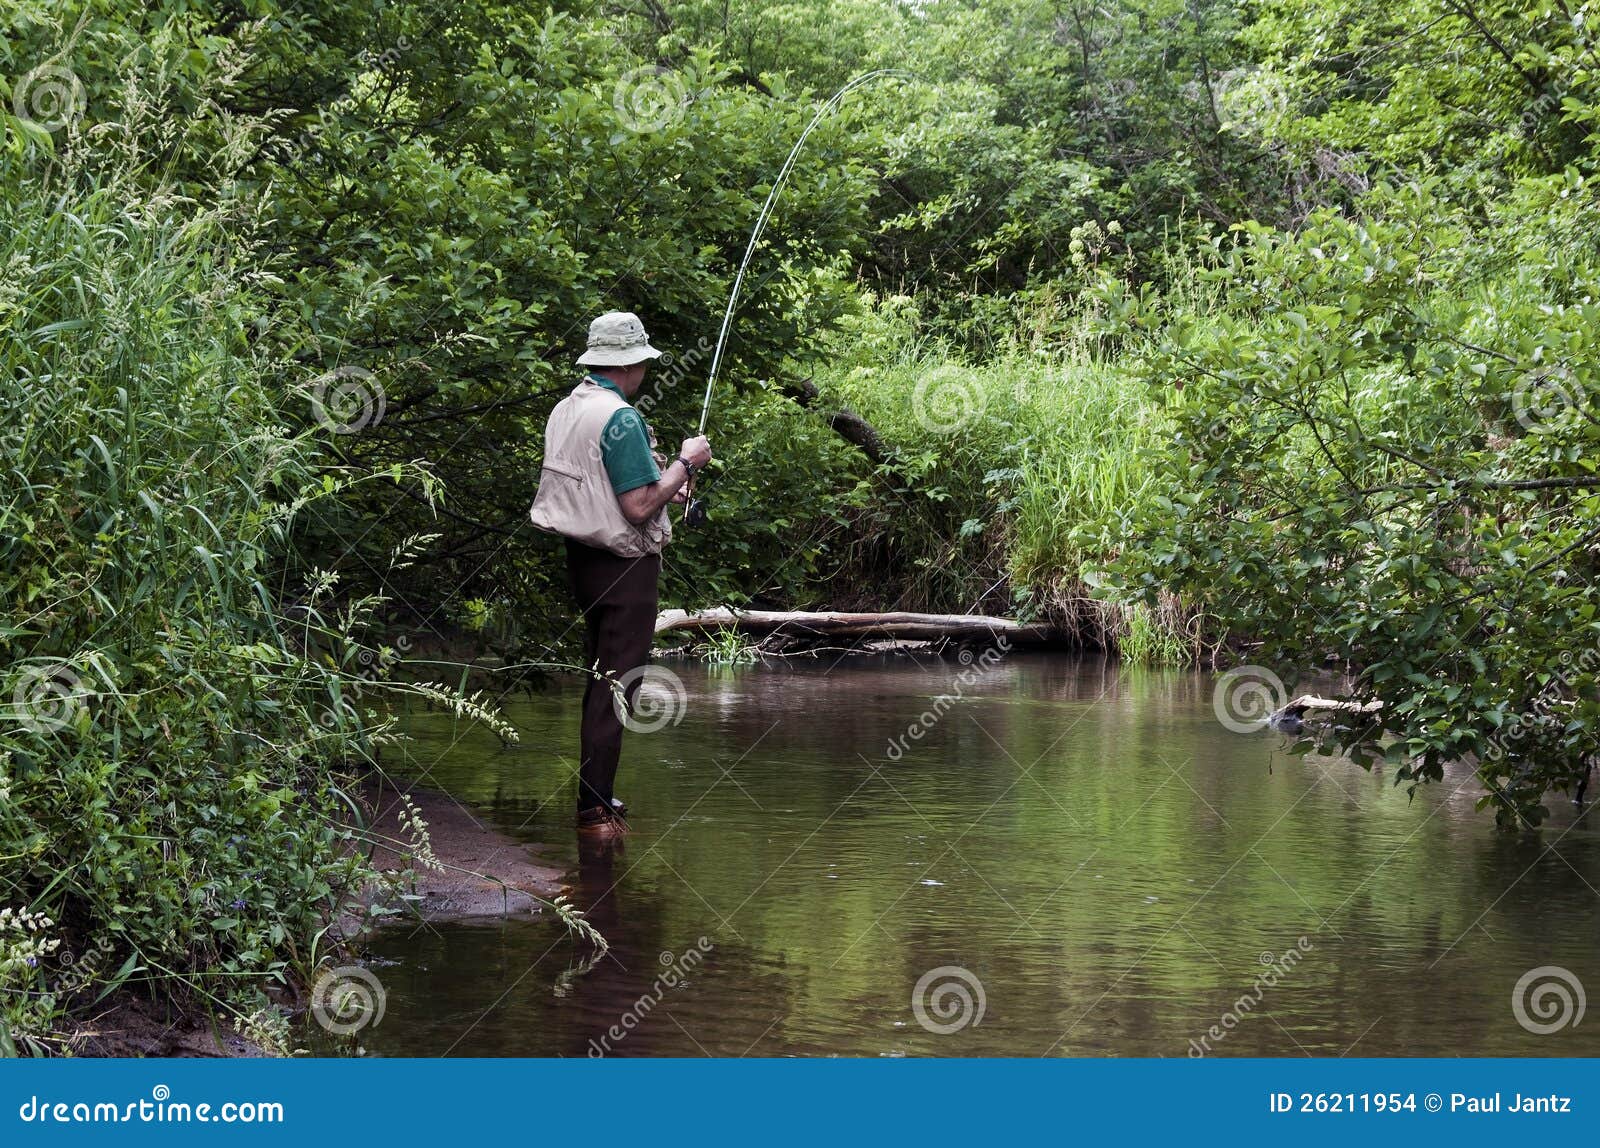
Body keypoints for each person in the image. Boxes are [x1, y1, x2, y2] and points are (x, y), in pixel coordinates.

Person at [529, 312, 713, 836]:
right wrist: (687, 463)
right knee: (619, 685)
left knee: (600, 677)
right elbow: (636, 508)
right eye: (643, 363)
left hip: (583, 562)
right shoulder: (621, 417)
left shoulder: (569, 407)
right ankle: (594, 810)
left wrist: (665, 482)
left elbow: (599, 484)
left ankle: (596, 794)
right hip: (623, 569)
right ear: (629, 364)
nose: (645, 372)